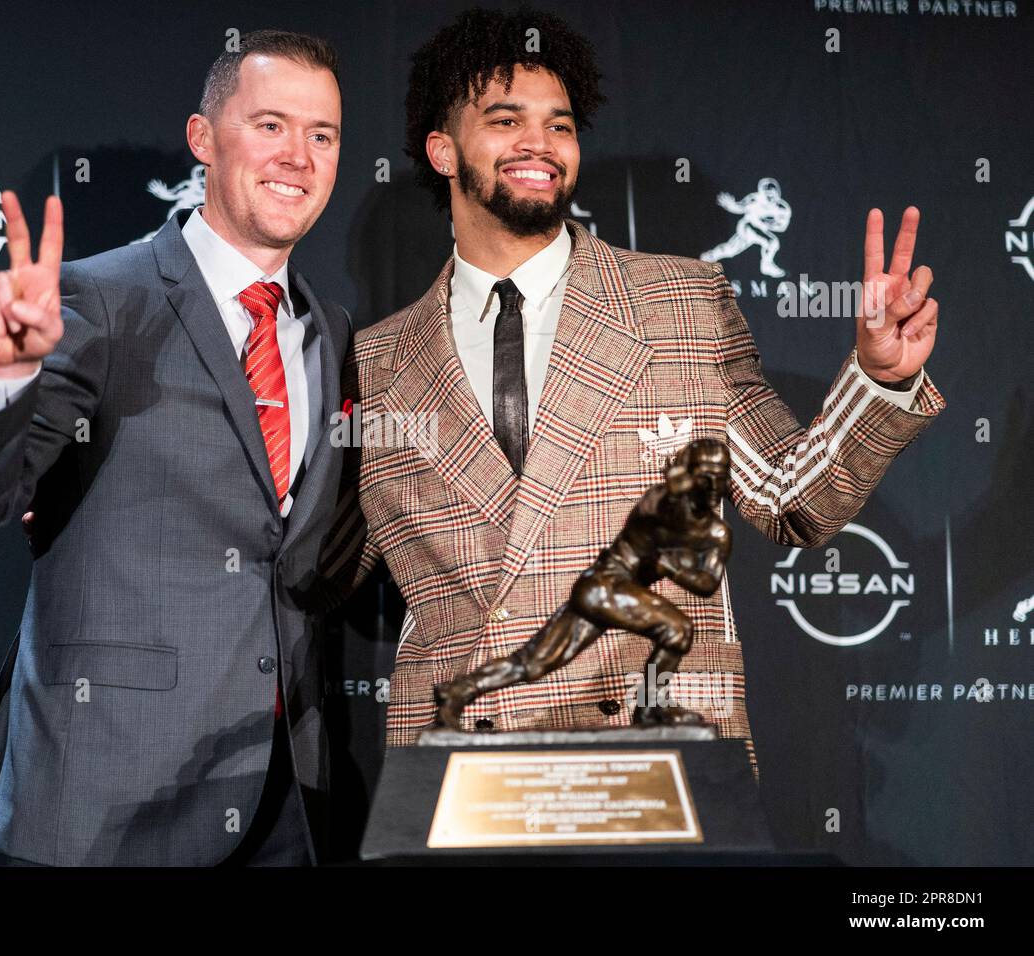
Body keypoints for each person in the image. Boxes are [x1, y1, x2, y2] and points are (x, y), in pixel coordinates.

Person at [319, 7, 944, 776]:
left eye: (560, 125)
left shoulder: (681, 303)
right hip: (460, 772)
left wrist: (881, 380)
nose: (540, 146)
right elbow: (320, 569)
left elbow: (792, 499)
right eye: (505, 119)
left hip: (654, 754)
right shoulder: (375, 365)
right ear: (443, 151)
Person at [0, 29, 350, 865]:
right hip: (111, 799)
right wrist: (4, 375)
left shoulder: (327, 330)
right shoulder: (102, 298)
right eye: (269, 125)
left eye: (322, 135)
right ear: (202, 139)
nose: (297, 155)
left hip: (285, 801)